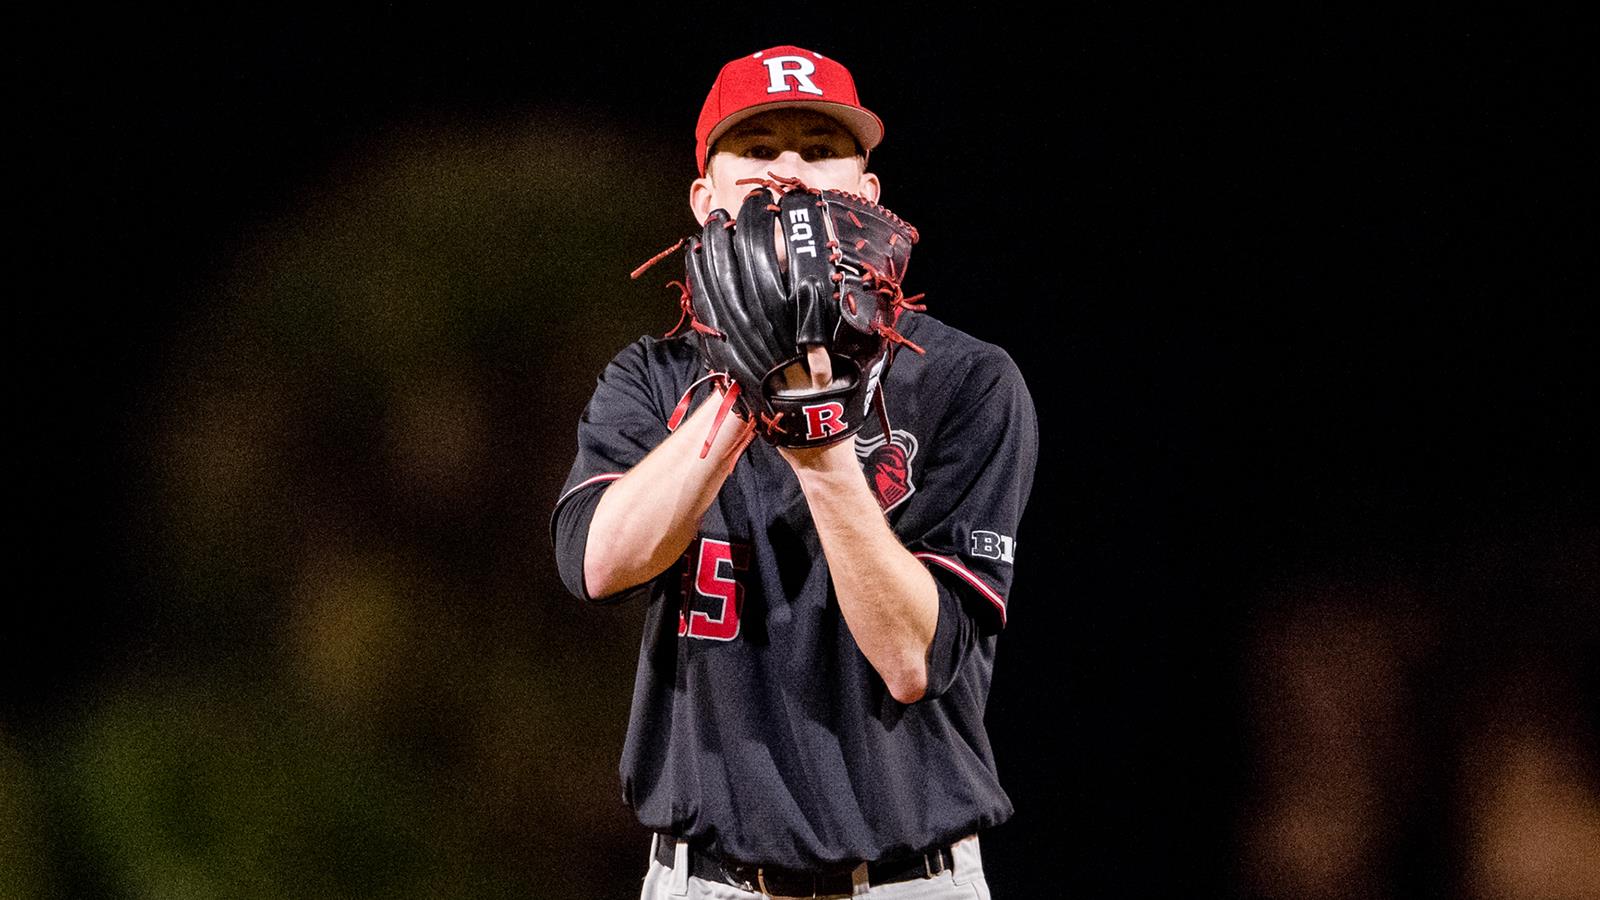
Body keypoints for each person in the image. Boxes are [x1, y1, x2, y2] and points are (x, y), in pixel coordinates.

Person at [552, 44, 1037, 899]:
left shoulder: (967, 381)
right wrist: (750, 390)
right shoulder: (651, 379)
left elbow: (910, 659)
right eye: (759, 148)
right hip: (705, 883)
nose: (789, 172)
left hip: (905, 882)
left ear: (867, 193)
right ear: (707, 200)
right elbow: (597, 561)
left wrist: (817, 439)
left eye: (819, 150)